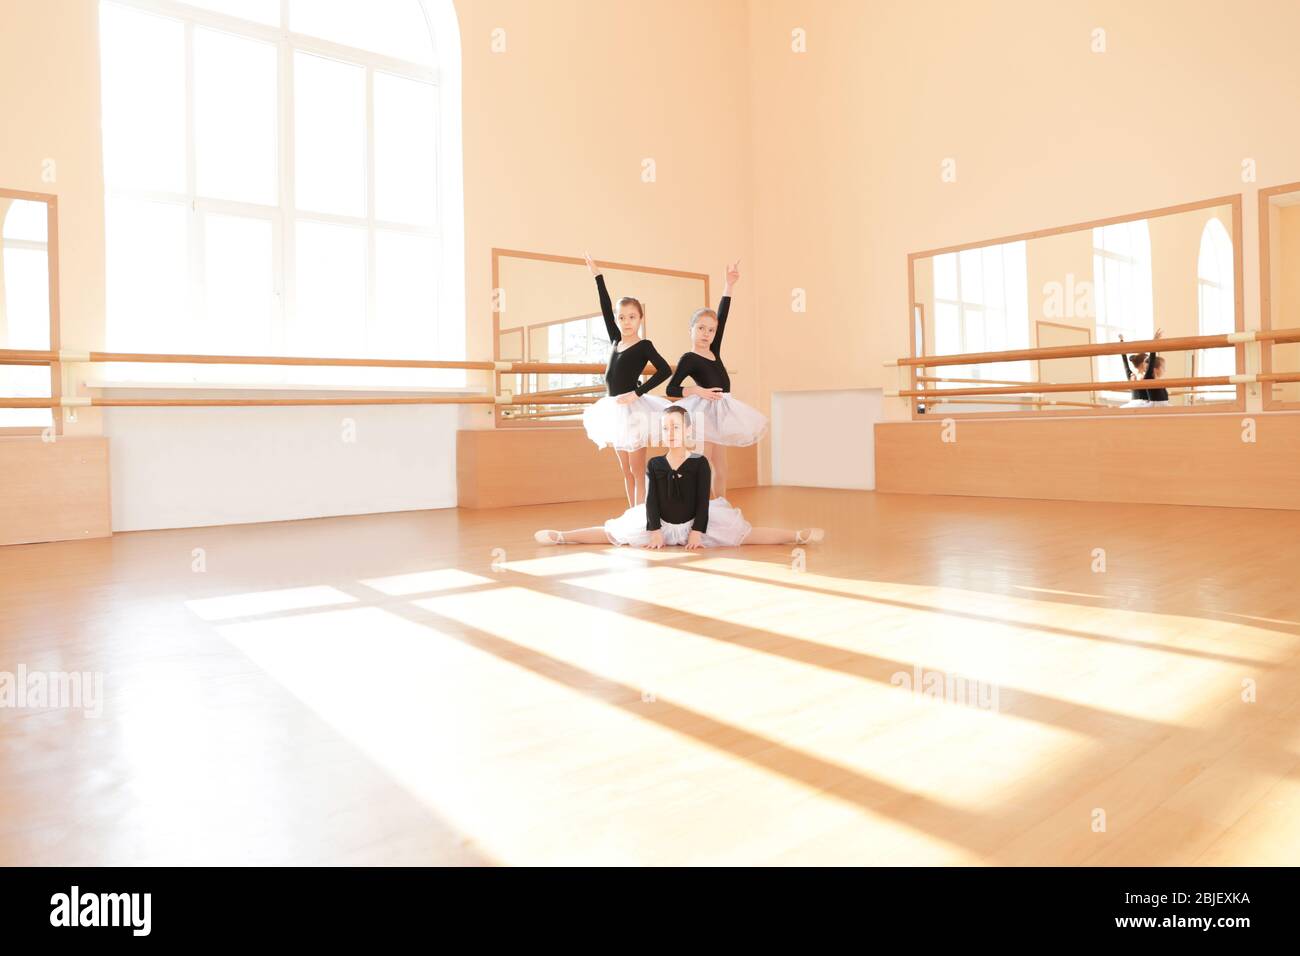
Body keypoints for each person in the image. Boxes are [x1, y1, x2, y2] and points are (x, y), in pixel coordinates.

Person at [535, 405, 823, 549]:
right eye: (665, 429)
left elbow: (701, 501)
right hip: (662, 523)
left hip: (694, 524)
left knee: (744, 535)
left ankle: (795, 536)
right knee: (612, 533)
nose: (670, 433)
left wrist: (697, 531)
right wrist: (655, 530)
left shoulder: (699, 463)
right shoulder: (655, 464)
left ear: (687, 432)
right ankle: (563, 536)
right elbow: (651, 502)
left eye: (675, 428)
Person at [665, 260, 768, 498]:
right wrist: (696, 391)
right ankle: (699, 508)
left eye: (711, 330)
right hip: (705, 411)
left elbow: (723, 314)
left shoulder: (715, 349)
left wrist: (728, 285)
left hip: (723, 408)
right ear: (690, 329)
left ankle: (721, 506)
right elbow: (672, 388)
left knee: (721, 465)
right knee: (704, 463)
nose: (706, 334)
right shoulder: (689, 358)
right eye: (701, 328)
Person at [580, 253, 673, 505]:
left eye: (632, 317)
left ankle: (643, 515)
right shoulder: (615, 339)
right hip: (613, 409)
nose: (626, 322)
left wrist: (638, 393)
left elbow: (665, 371)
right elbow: (604, 306)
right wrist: (597, 276)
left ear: (640, 318)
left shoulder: (644, 345)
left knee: (636, 468)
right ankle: (632, 513)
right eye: (621, 317)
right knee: (625, 471)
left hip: (633, 409)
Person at [1119, 328, 1170, 407]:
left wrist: (1121, 342)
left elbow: (1125, 363)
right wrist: (1154, 341)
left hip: (1134, 403)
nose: (1148, 363)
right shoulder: (1146, 376)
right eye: (1147, 361)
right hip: (1142, 404)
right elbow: (1152, 359)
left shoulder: (1132, 375)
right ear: (1143, 363)